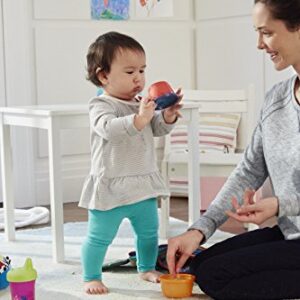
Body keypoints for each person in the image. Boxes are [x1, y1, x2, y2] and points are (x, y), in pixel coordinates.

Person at [166, 1, 300, 299]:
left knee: (216, 277)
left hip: (291, 231)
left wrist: (280, 205)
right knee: (202, 264)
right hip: (291, 233)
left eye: (266, 32)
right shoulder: (277, 99)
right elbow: (249, 171)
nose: (259, 44)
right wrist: (199, 230)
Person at [79, 31, 182, 295]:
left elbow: (155, 129)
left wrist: (167, 115)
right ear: (104, 76)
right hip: (112, 185)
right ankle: (91, 276)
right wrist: (139, 118)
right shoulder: (101, 104)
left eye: (142, 70)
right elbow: (108, 129)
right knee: (99, 236)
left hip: (142, 183)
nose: (139, 78)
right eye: (129, 72)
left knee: (148, 232)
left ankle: (146, 267)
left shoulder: (140, 103)